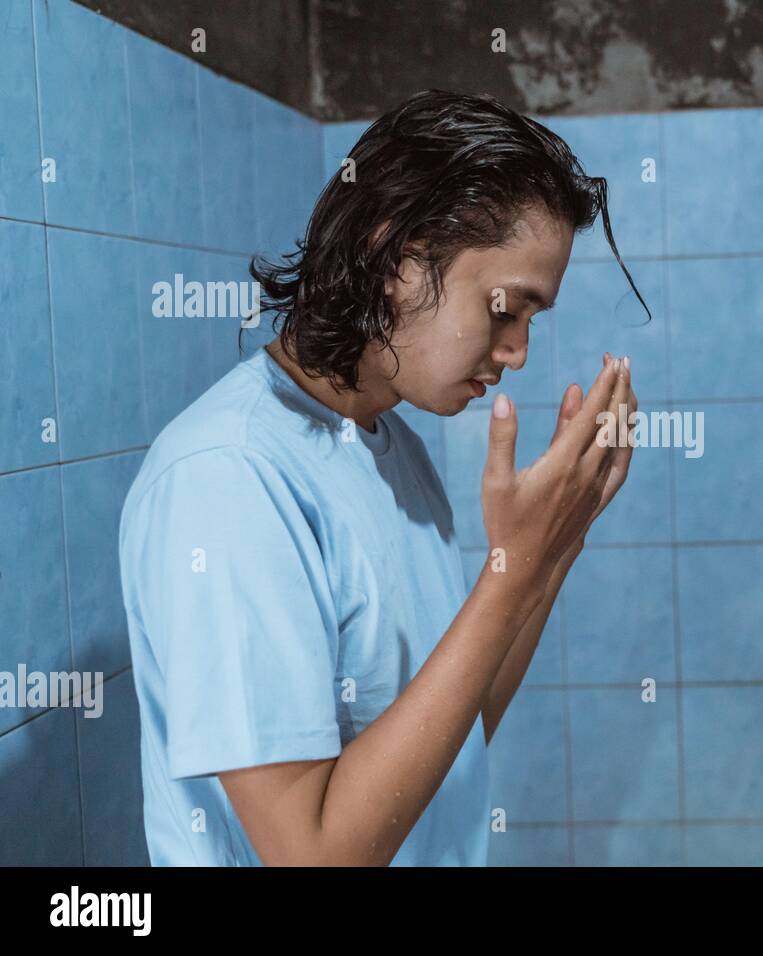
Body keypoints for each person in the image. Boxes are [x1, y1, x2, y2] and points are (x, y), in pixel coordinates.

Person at [117, 89, 646, 866]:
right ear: (397, 258)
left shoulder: (391, 448)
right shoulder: (228, 481)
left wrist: (552, 548)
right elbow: (313, 854)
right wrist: (513, 571)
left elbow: (449, 739)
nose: (518, 352)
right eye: (505, 308)